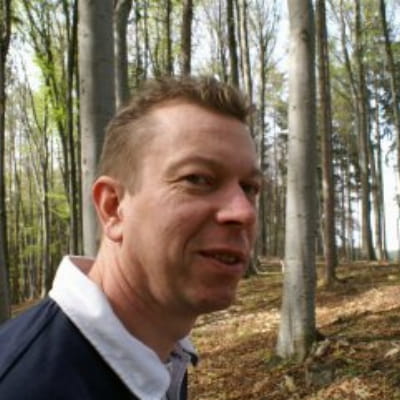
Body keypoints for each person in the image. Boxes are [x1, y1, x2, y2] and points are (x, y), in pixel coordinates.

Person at [0, 75, 262, 399]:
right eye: (197, 179)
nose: (244, 212)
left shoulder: (160, 356)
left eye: (249, 188)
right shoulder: (23, 385)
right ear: (113, 208)